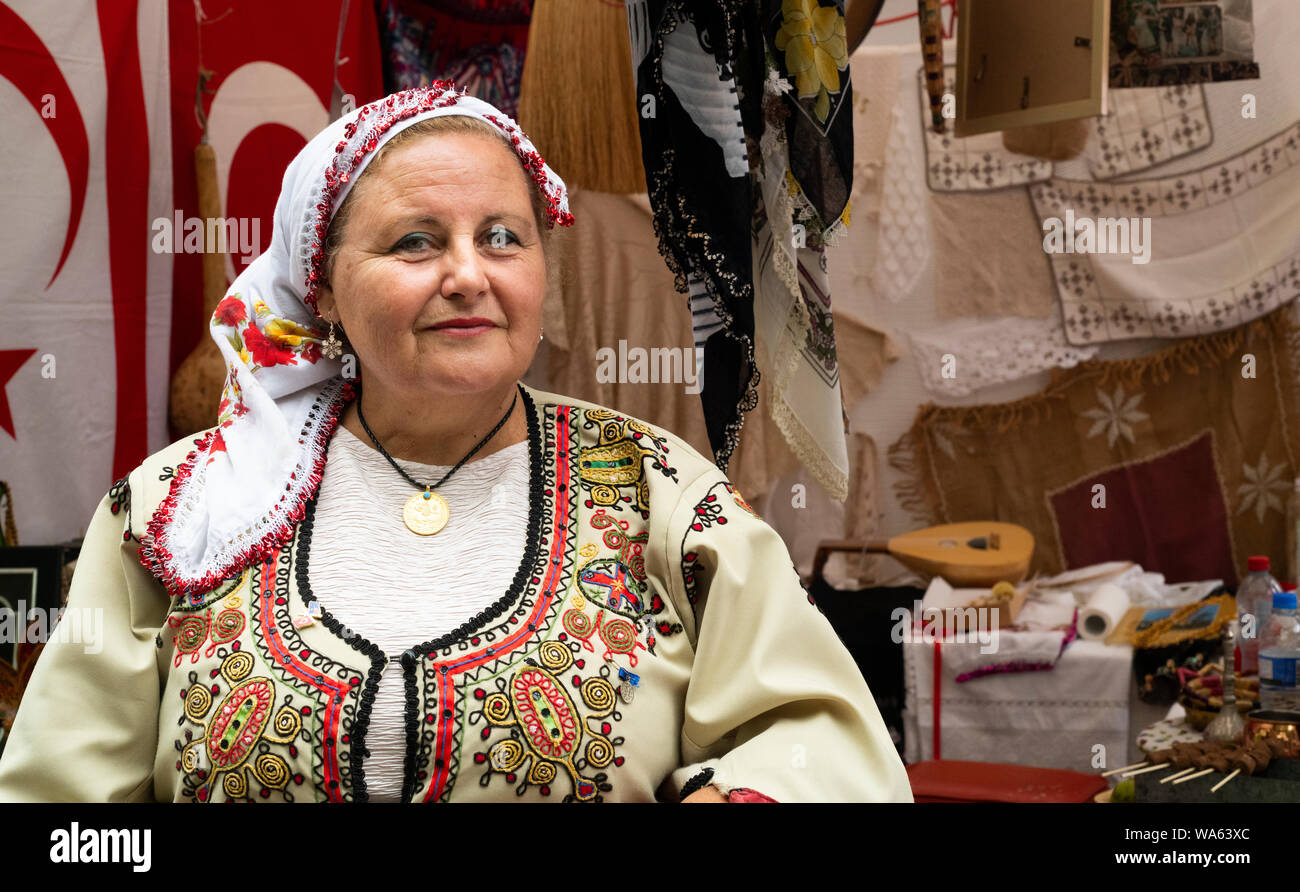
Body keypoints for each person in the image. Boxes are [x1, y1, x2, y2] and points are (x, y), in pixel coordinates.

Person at [0, 81, 911, 804]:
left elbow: (824, 743)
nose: (468, 275)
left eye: (504, 238)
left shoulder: (657, 493)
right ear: (320, 287)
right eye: (415, 242)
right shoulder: (183, 509)